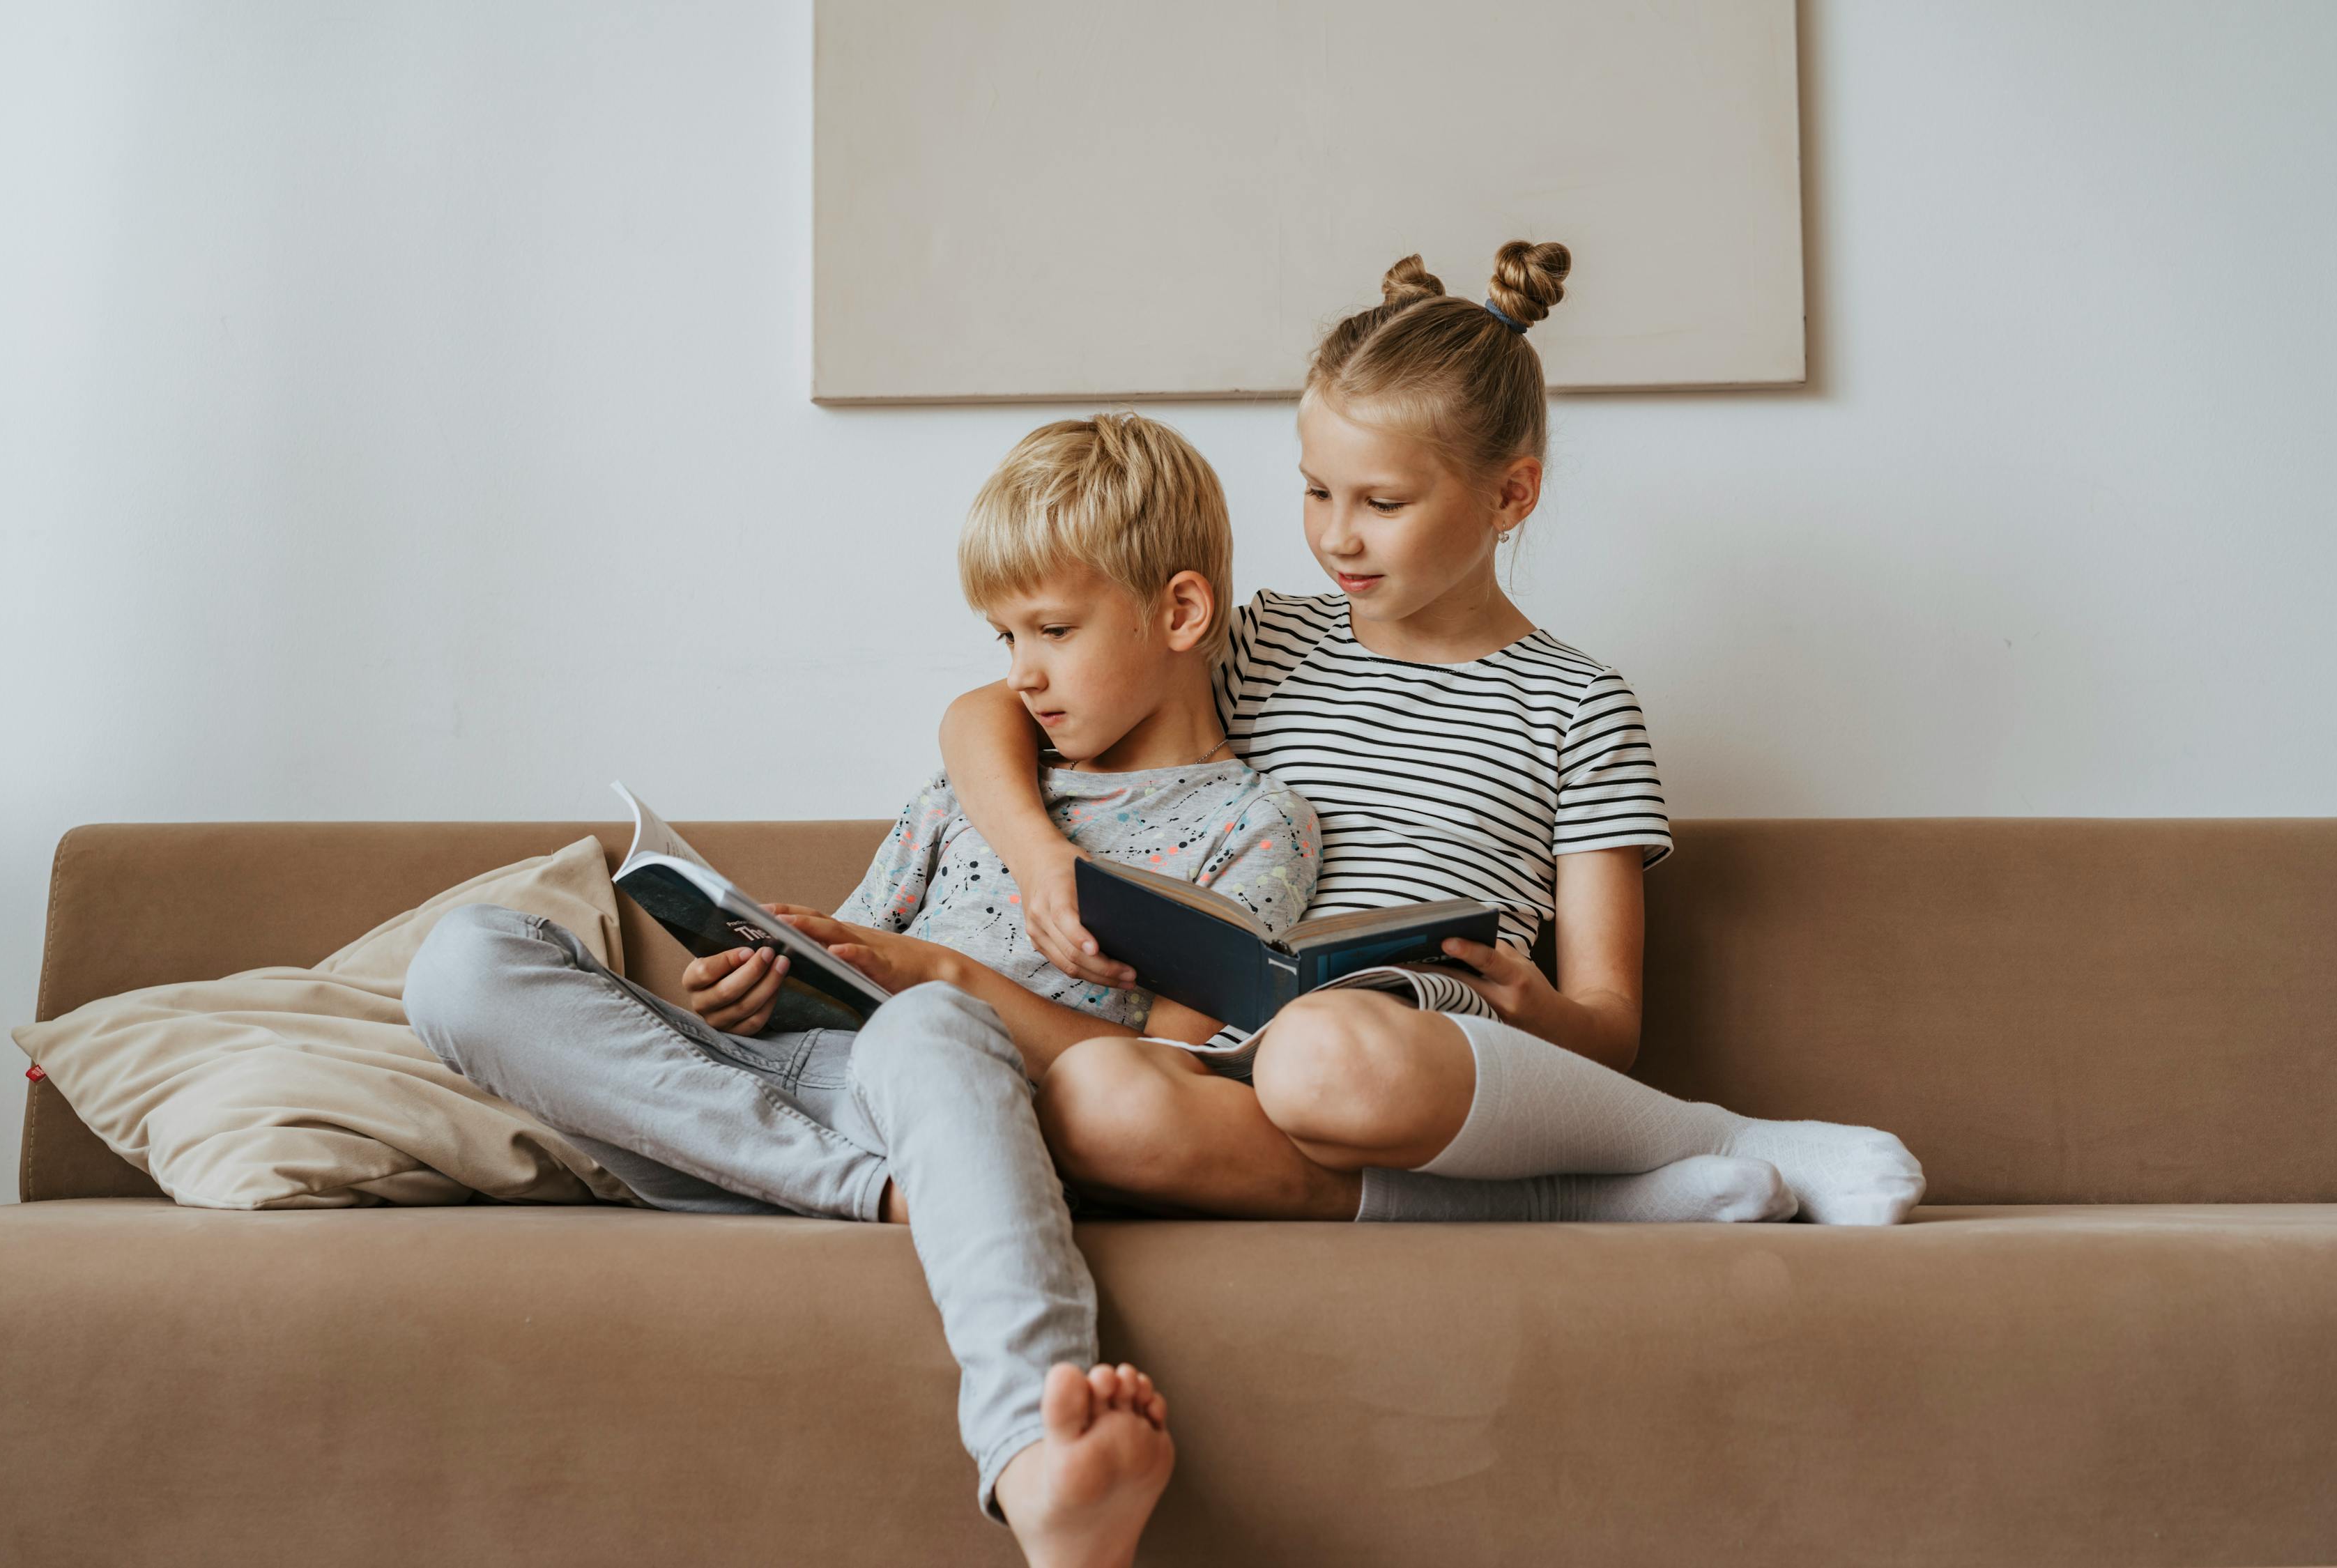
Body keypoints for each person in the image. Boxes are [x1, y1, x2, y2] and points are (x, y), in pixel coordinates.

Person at [404, 412, 1319, 1568]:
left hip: (989, 1104)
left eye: (1052, 628)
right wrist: (767, 975)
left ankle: (1034, 1456)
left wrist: (943, 975)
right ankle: (884, 1195)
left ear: (1180, 614)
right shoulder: (973, 787)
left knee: (934, 1026)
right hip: (807, 1092)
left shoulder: (1251, 828)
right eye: (1002, 637)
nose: (1021, 671)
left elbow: (1167, 1079)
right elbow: (861, 948)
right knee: (465, 961)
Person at [939, 243, 1929, 1229]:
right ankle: (1575, 1203)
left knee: (1318, 1051)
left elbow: (1609, 1022)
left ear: (1509, 496)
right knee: (1093, 1095)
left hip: (1431, 1048)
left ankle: (1720, 1137)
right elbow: (983, 712)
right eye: (1317, 490)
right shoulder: (1262, 641)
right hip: (1233, 1063)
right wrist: (1044, 860)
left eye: (1383, 502)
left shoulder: (1577, 706)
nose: (1336, 535)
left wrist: (1534, 1005)